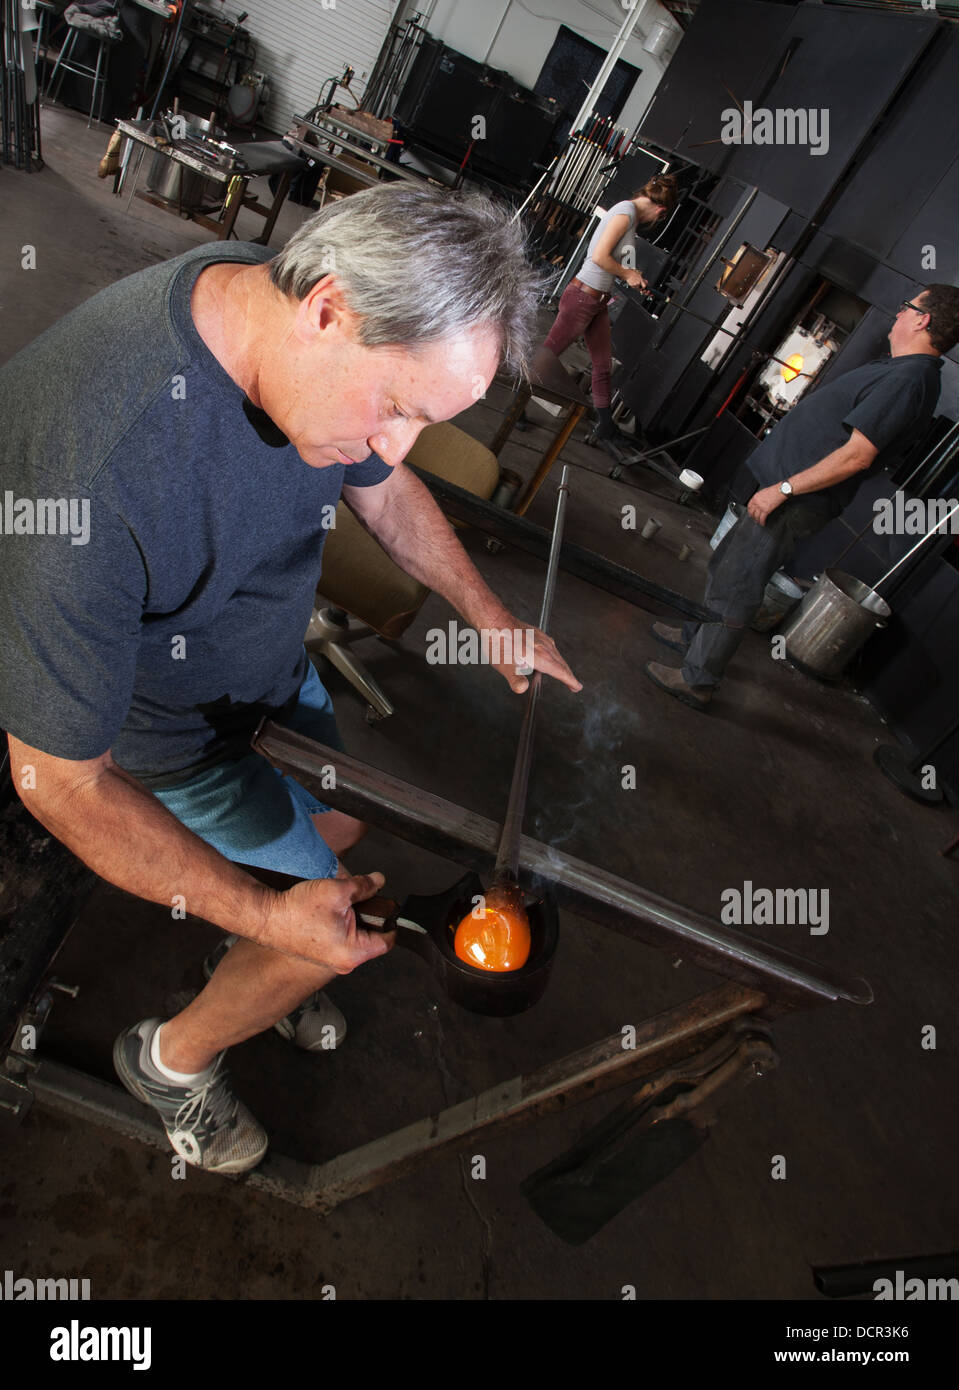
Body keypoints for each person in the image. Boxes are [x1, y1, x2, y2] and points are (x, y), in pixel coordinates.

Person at [0, 184, 581, 1174]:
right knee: (325, 925)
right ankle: (171, 1060)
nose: (394, 450)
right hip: (158, 740)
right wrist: (268, 917)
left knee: (341, 828)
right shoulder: (92, 478)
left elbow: (384, 483)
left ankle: (264, 948)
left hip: (263, 674)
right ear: (326, 312)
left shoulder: (271, 302)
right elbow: (59, 781)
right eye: (396, 408)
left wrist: (489, 617)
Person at [644, 284, 959, 710]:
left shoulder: (909, 379)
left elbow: (856, 457)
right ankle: (694, 637)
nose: (899, 313)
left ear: (922, 320)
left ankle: (698, 679)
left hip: (795, 501)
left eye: (908, 307)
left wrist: (784, 488)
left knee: (739, 585)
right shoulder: (902, 371)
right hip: (784, 491)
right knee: (727, 568)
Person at [532, 173, 678, 450]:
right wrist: (626, 273)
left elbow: (618, 262)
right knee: (547, 354)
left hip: (596, 301)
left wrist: (634, 277)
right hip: (582, 298)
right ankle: (517, 406)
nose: (654, 223)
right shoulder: (625, 213)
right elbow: (598, 256)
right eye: (659, 218)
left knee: (602, 365)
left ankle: (606, 426)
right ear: (661, 210)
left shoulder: (630, 218)